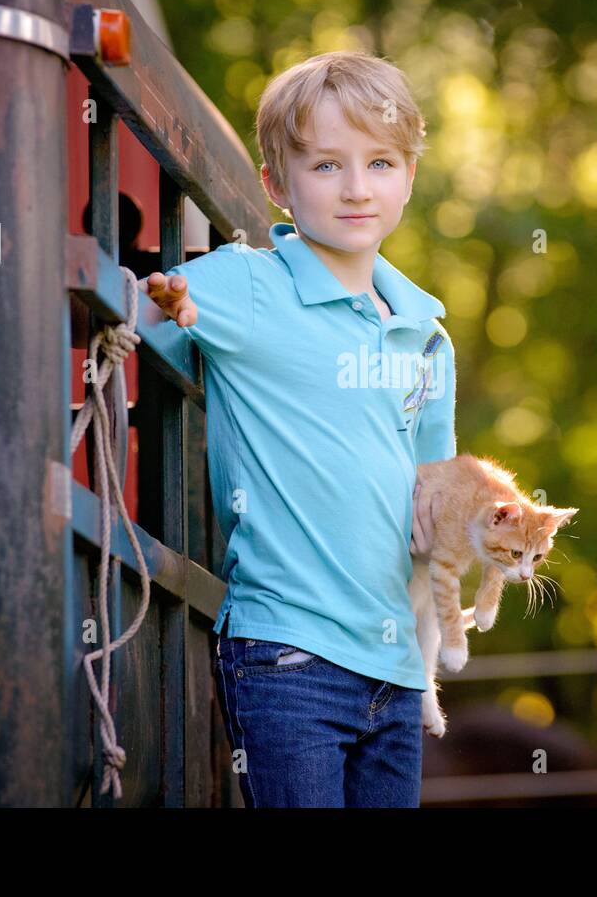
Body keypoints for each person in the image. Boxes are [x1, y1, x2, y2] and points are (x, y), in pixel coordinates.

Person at [142, 51, 455, 807]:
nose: (356, 188)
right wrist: (166, 300)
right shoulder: (251, 285)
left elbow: (433, 498)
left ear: (409, 177)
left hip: (396, 666)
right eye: (325, 165)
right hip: (289, 651)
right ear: (277, 184)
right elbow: (154, 308)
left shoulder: (427, 332)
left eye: (380, 162)